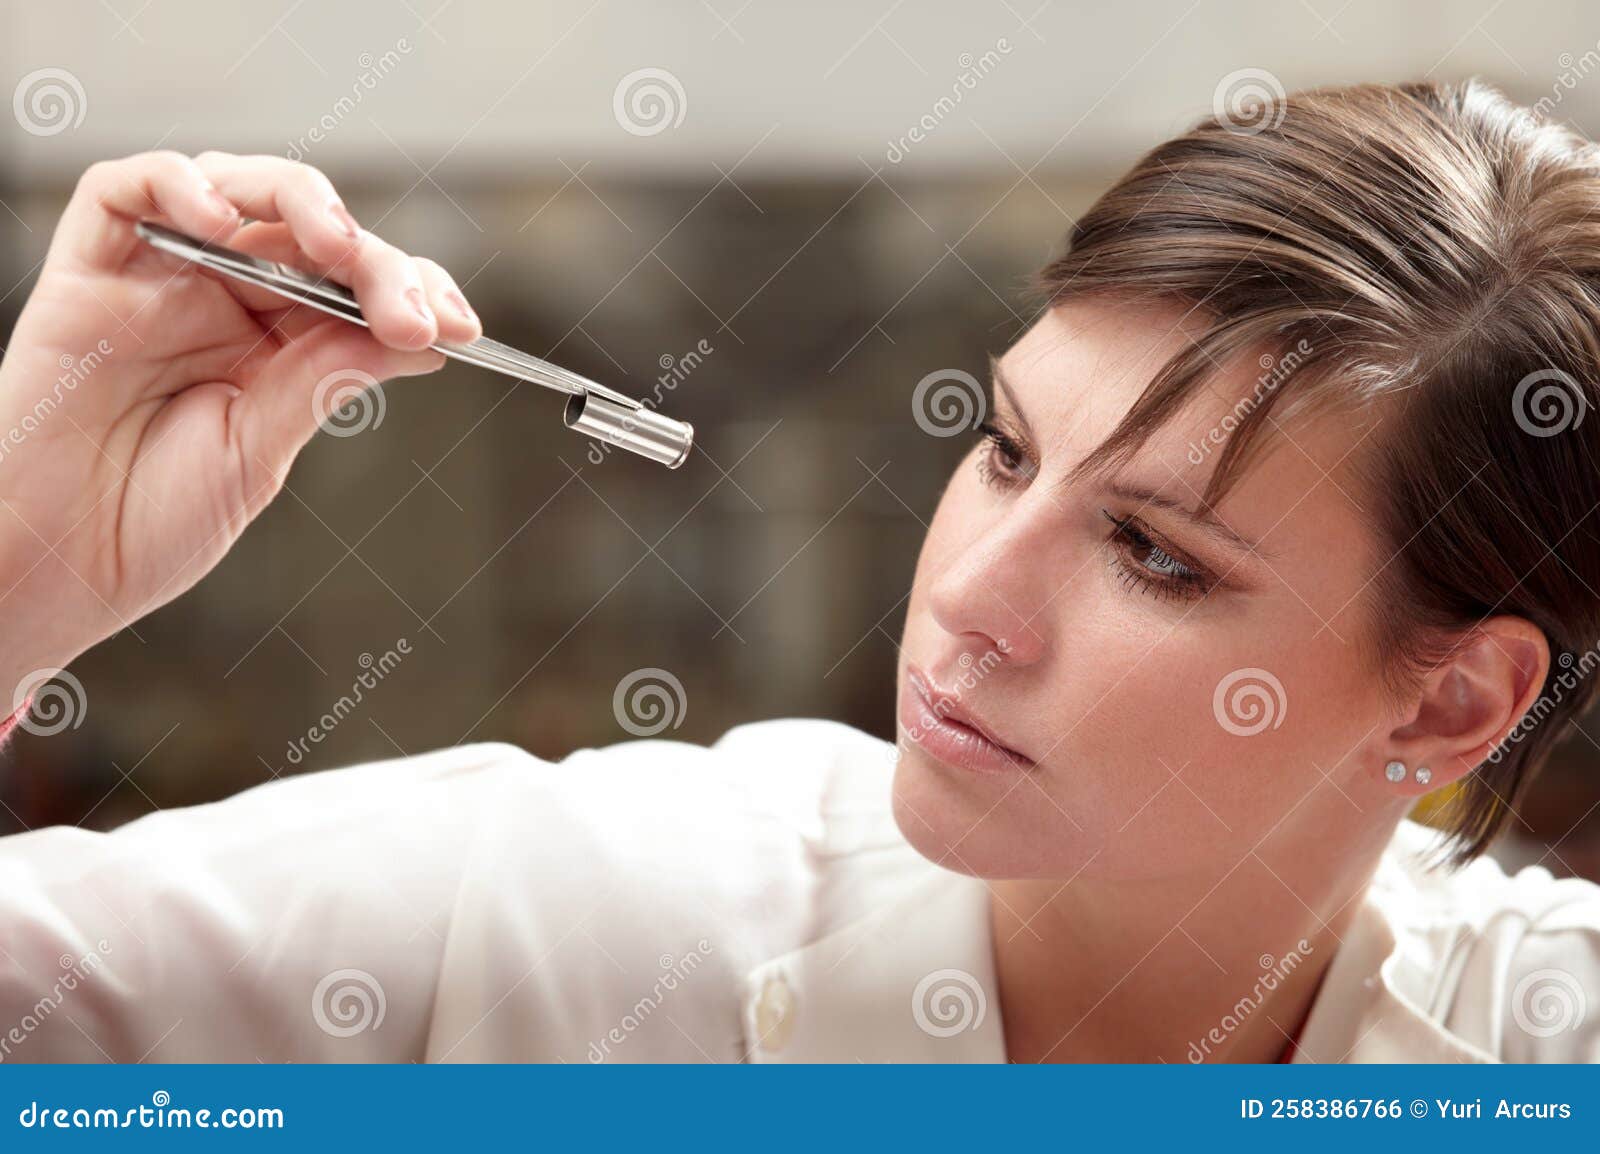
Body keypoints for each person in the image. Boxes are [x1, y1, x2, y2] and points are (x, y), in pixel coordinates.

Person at [0, 79, 1597, 1065]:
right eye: (1007, 449)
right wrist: (26, 564)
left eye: (1152, 553)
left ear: (1456, 697)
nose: (972, 594)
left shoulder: (1533, 1043)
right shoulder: (565, 918)